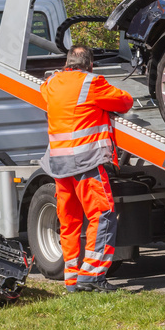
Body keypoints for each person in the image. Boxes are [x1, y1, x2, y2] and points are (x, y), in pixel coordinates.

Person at [40, 45, 133, 293]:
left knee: (69, 221)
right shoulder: (91, 83)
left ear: (66, 63)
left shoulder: (51, 84)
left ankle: (71, 280)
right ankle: (92, 276)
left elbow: (46, 92)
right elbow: (124, 102)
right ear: (90, 65)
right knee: (102, 215)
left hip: (59, 166)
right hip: (86, 163)